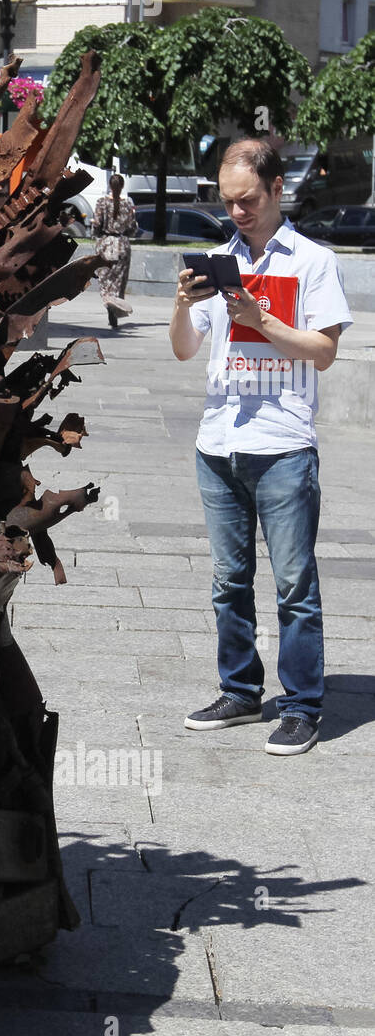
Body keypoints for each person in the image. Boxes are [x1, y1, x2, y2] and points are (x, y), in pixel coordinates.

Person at [168, 139, 351, 755]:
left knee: (295, 583)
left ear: (277, 189)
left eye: (247, 200)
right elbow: (185, 350)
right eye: (227, 202)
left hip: (283, 444)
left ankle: (301, 706)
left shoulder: (312, 262)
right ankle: (241, 692)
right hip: (219, 441)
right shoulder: (219, 258)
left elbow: (323, 352)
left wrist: (257, 317)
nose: (236, 212)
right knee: (229, 580)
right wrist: (181, 304)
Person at [91, 173, 137, 328]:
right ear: (122, 186)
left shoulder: (101, 203)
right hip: (122, 245)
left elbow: (97, 226)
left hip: (106, 245)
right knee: (118, 282)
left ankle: (108, 302)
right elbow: (132, 229)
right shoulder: (127, 205)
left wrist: (96, 232)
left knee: (105, 281)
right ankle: (115, 308)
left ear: (110, 186)